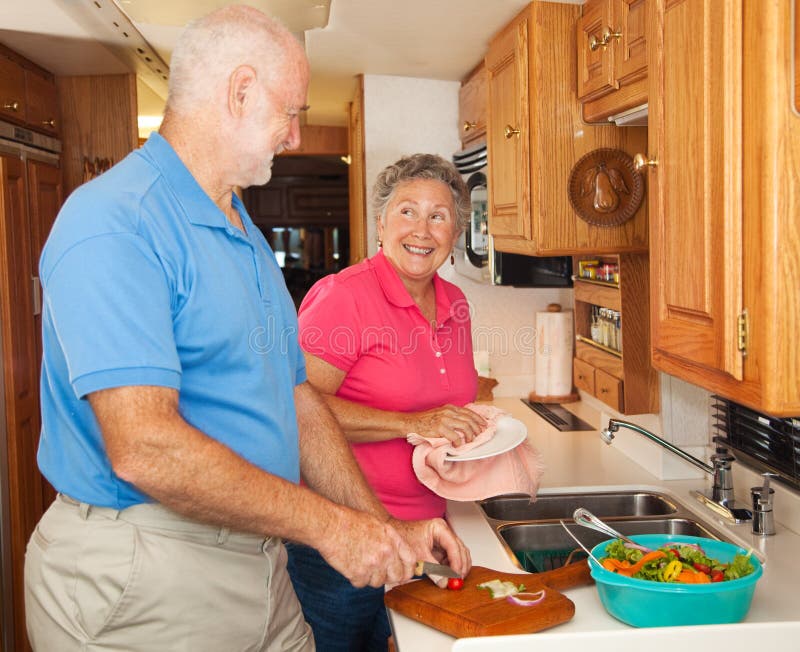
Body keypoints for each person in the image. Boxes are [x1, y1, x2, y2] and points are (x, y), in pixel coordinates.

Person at [23, 7, 470, 652]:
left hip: (262, 557)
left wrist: (379, 527)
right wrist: (331, 528)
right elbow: (145, 446)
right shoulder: (116, 223)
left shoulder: (244, 235)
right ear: (238, 92)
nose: (294, 135)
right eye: (289, 112)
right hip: (144, 567)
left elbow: (297, 399)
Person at [287, 154, 487, 651]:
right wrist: (413, 422)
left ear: (455, 231)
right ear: (381, 222)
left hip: (428, 535)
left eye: (439, 216)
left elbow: (450, 396)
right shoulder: (343, 297)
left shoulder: (456, 303)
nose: (422, 229)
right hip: (344, 539)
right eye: (407, 211)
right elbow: (294, 407)